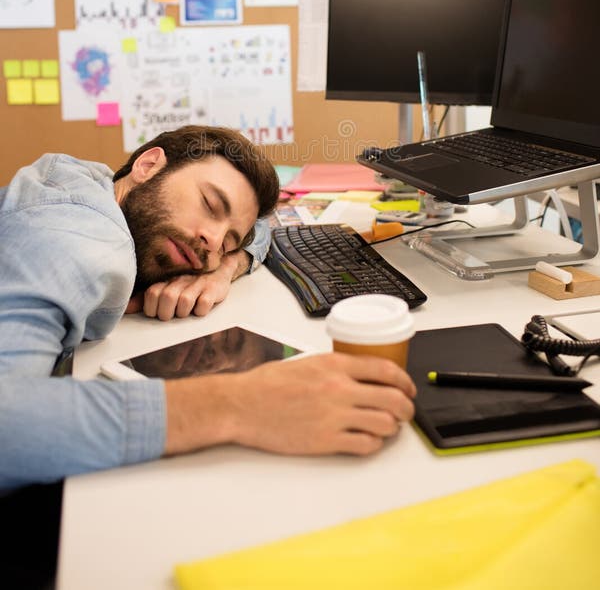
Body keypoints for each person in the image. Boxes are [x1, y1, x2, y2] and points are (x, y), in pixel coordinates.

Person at [0, 125, 416, 495]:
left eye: (228, 239)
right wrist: (240, 404)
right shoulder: (79, 242)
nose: (212, 244)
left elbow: (262, 228)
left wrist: (226, 268)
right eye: (210, 205)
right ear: (148, 165)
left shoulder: (100, 184)